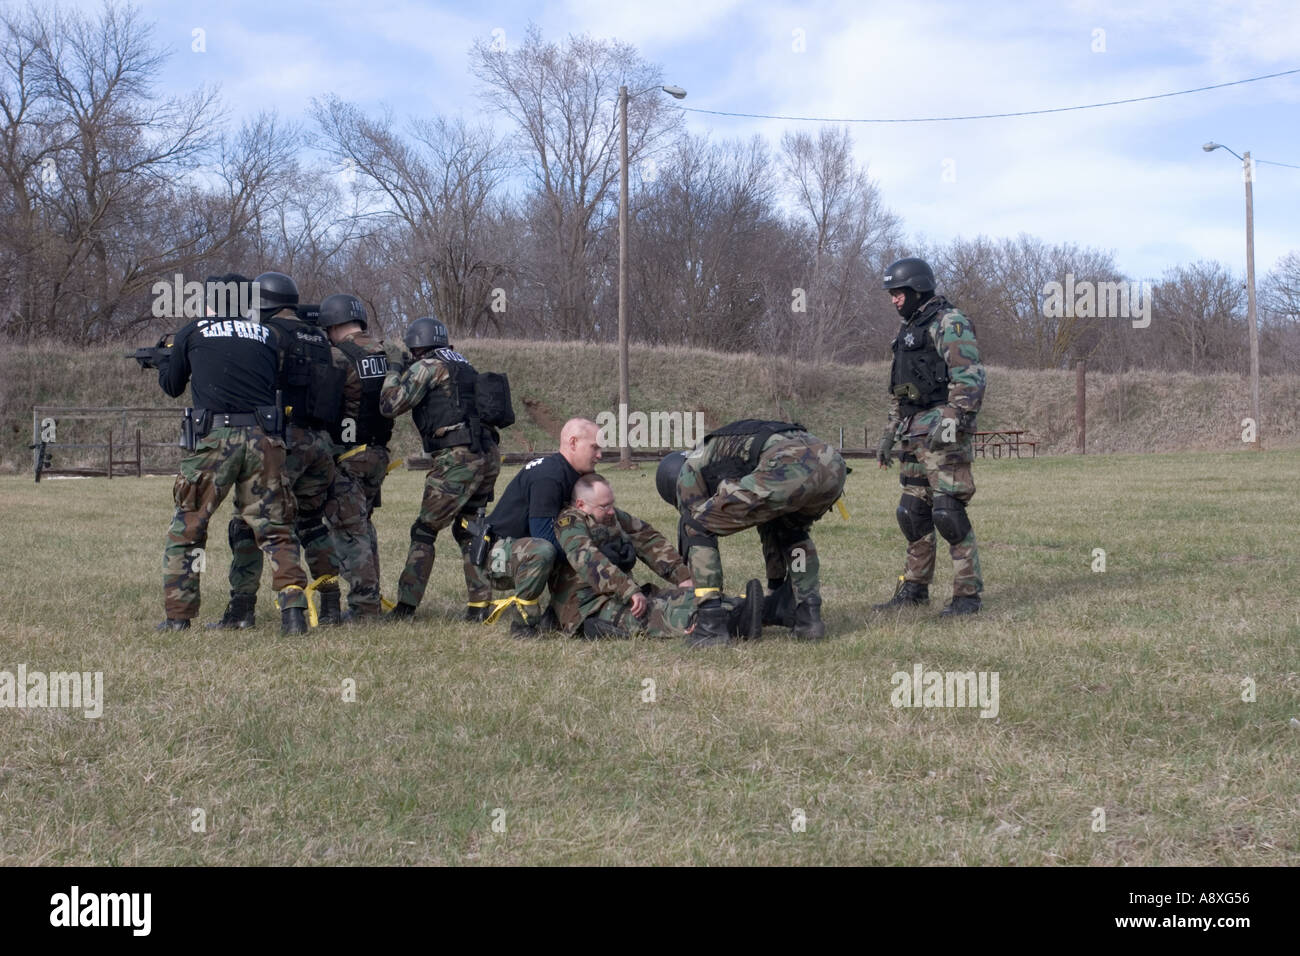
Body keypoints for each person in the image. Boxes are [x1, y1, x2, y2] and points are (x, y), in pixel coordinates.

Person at [157, 273, 310, 635]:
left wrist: (166, 359)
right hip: (264, 439)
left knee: (189, 527)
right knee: (275, 529)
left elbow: (172, 386)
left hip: (215, 439)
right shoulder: (267, 335)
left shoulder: (193, 331)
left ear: (211, 301)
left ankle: (179, 617)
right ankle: (293, 614)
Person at [211, 272, 348, 629]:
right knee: (312, 523)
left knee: (247, 523)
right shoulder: (318, 335)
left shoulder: (271, 335)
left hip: (286, 441)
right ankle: (331, 603)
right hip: (321, 443)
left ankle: (242, 609)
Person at [659, 420, 847, 646]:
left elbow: (694, 521)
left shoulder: (689, 468)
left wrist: (699, 590)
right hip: (833, 465)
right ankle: (807, 613)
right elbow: (767, 518)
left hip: (787, 465)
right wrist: (775, 587)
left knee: (698, 526)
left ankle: (710, 623)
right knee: (790, 530)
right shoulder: (714, 449)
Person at [873, 256, 985, 616]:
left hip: (942, 433)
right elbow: (899, 390)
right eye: (891, 294)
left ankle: (967, 595)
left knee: (947, 512)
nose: (893, 300)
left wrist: (951, 422)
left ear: (917, 288)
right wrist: (889, 433)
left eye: (898, 292)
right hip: (912, 432)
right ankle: (914, 589)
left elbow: (969, 379)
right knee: (912, 513)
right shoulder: (906, 333)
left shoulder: (950, 323)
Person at [380, 316, 502, 621]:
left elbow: (390, 405)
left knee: (424, 530)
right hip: (487, 453)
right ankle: (479, 606)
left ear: (416, 346)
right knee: (470, 529)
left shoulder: (429, 367)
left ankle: (406, 607)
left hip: (457, 457)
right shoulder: (464, 363)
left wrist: (395, 368)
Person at [551, 474, 766, 641]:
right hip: (588, 608)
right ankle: (733, 623)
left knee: (683, 597)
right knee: (657, 613)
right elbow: (587, 559)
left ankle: (746, 607)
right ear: (581, 505)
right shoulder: (569, 523)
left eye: (612, 504)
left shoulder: (612, 516)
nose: (610, 511)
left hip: (620, 595)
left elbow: (647, 539)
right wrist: (628, 590)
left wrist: (682, 576)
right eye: (604, 506)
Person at [478, 417, 602, 635]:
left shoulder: (568, 472)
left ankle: (561, 612)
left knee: (573, 549)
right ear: (573, 443)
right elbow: (544, 537)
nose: (600, 455)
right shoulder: (550, 477)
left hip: (520, 548)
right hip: (498, 556)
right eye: (594, 447)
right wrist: (591, 557)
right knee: (548, 550)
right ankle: (523, 624)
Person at [314, 293, 390, 621]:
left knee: (348, 529)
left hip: (349, 455)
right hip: (379, 452)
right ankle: (370, 598)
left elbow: (324, 408)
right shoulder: (386, 353)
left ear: (332, 325)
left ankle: (364, 608)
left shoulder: (338, 356)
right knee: (363, 524)